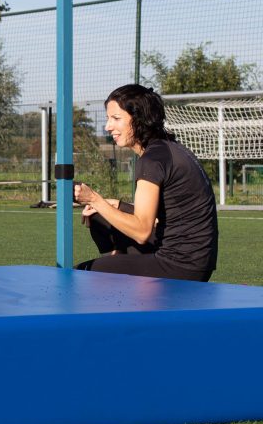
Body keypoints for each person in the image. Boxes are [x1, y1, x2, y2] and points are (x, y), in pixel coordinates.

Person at [74, 84, 218, 282]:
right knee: (100, 216)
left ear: (140, 119)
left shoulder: (152, 160)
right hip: (196, 261)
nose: (108, 126)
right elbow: (166, 217)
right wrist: (115, 205)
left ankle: (116, 278)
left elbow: (142, 231)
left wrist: (95, 199)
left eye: (116, 118)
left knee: (82, 273)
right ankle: (119, 265)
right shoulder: (169, 149)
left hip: (179, 266)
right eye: (108, 118)